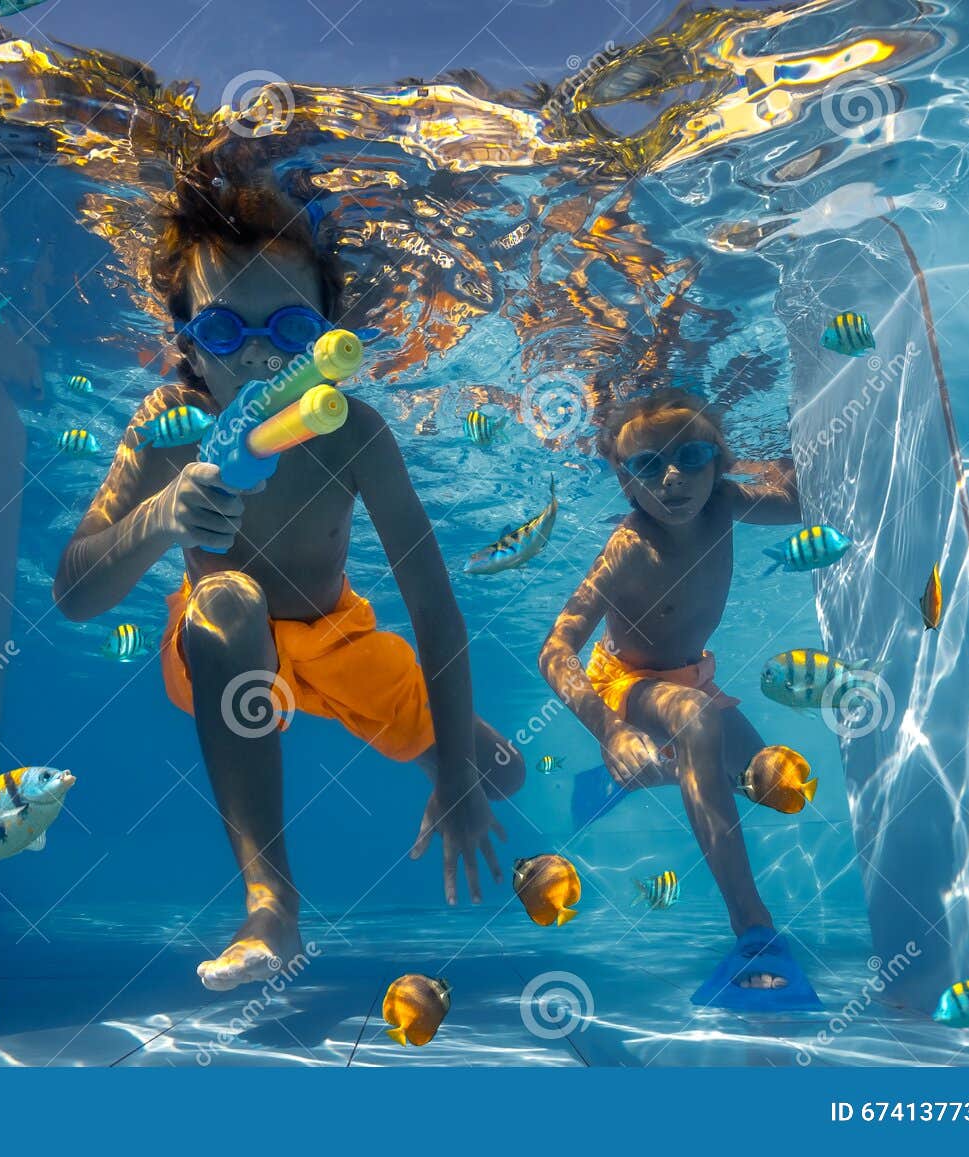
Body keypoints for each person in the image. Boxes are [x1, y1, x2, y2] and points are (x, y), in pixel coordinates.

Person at [54, 153, 522, 992]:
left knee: (500, 772)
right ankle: (271, 903)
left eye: (293, 335)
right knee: (226, 598)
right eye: (229, 332)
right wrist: (161, 518)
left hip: (339, 637)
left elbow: (437, 614)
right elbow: (76, 594)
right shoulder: (165, 425)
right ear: (188, 338)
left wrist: (455, 779)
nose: (263, 363)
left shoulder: (354, 434)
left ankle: (439, 767)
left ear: (329, 338)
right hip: (222, 649)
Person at [536, 388, 820, 1010]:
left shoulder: (724, 504)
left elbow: (802, 503)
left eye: (691, 456)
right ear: (626, 480)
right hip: (629, 684)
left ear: (719, 462)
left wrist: (813, 427)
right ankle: (752, 927)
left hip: (692, 677)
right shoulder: (627, 549)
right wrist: (609, 729)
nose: (672, 478)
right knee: (694, 721)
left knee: (773, 785)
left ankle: (641, 776)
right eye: (647, 466)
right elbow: (554, 651)